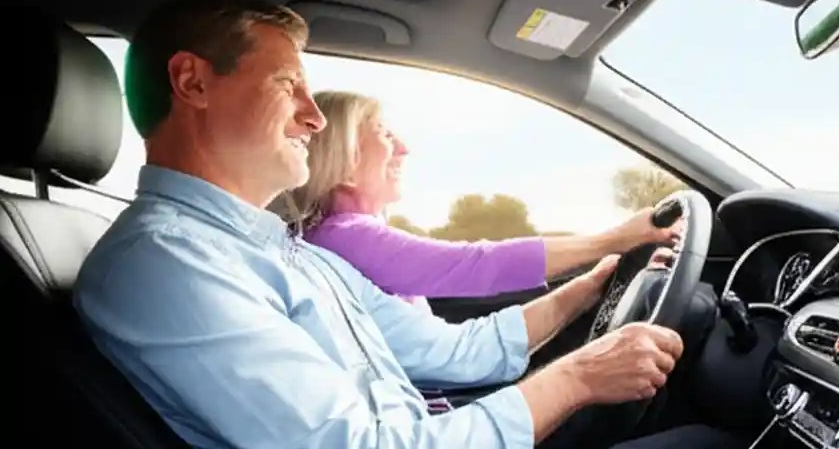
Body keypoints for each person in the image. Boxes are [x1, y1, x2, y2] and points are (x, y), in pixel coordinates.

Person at [73, 0, 744, 449]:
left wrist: (592, 289)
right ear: (192, 82)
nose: (313, 117)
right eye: (289, 85)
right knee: (707, 448)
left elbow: (455, 352)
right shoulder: (167, 265)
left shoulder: (282, 252)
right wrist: (576, 377)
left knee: (674, 420)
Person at [269, 89, 678, 300]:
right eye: (385, 134)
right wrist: (615, 240)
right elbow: (475, 265)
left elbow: (454, 351)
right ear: (344, 155)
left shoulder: (341, 235)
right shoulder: (346, 236)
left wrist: (597, 279)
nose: (404, 148)